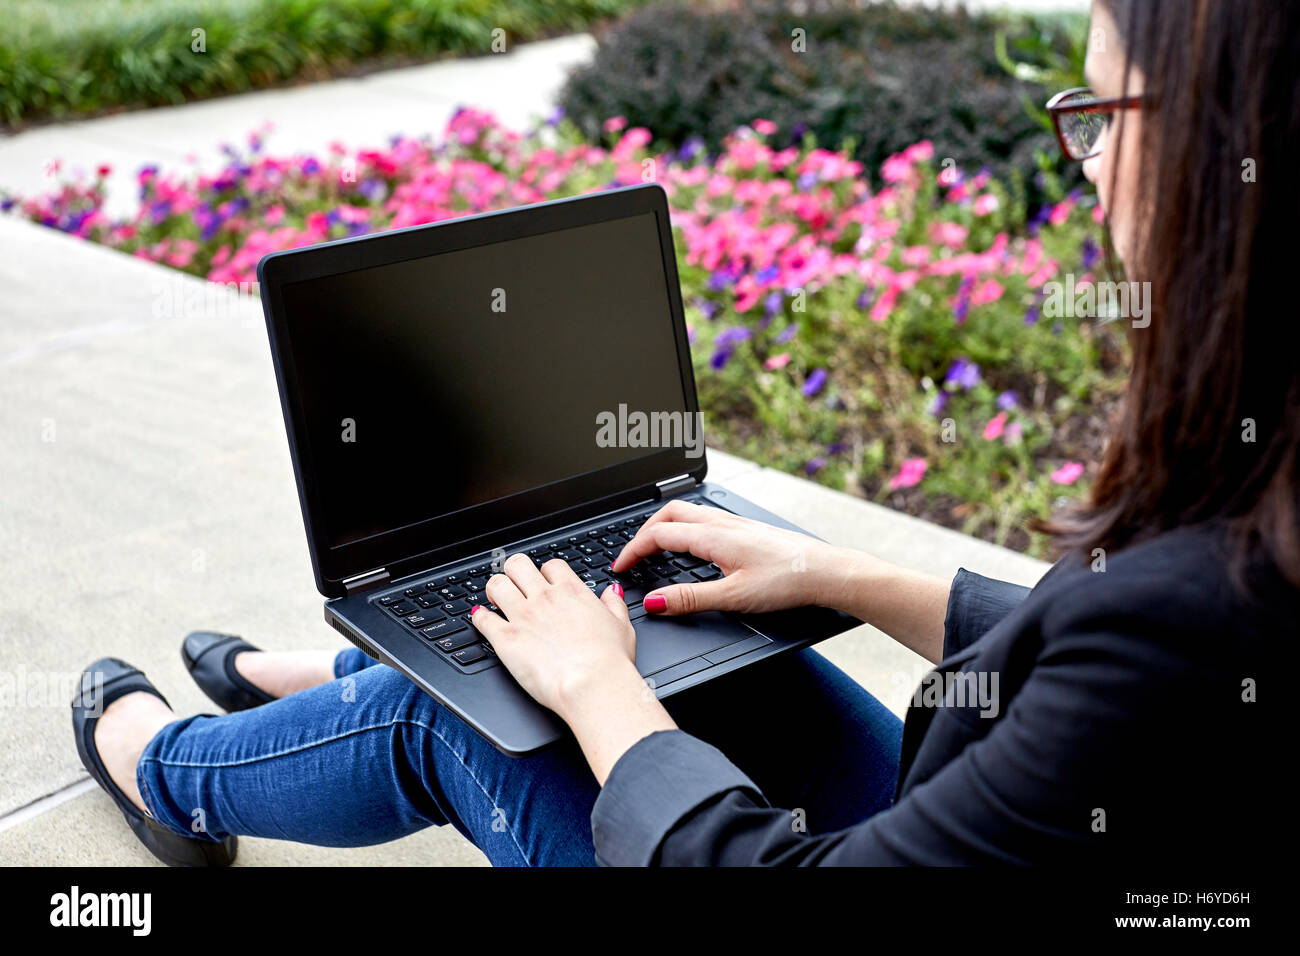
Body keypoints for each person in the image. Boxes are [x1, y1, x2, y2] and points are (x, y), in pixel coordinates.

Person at [73, 0, 1291, 866]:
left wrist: (604, 696)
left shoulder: (1200, 607)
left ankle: (170, 772)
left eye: (1100, 111)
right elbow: (1094, 658)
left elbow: (1135, 659)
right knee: (709, 645)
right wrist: (845, 576)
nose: (1083, 160)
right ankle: (339, 671)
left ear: (1221, 131)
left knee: (463, 709)